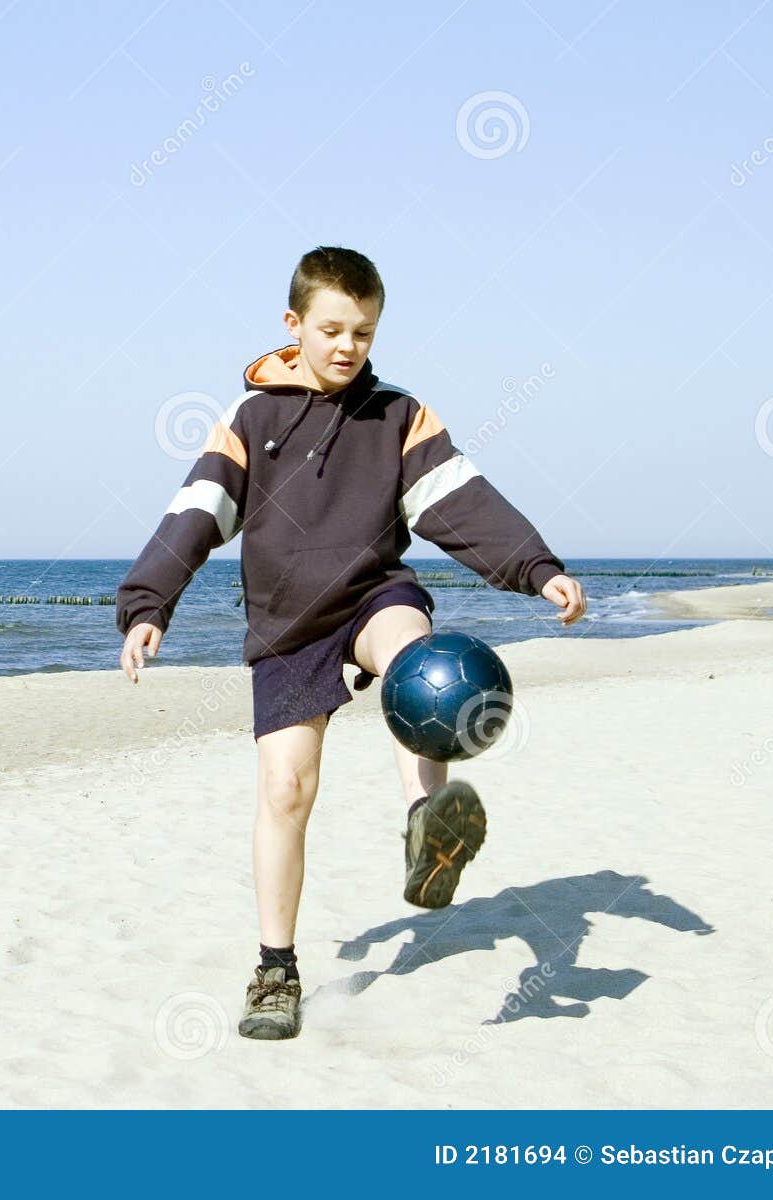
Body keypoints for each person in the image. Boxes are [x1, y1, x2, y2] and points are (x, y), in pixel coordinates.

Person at [114, 247, 586, 1040]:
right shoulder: (250, 419)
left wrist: (537, 569)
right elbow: (196, 513)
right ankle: (275, 969)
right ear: (292, 325)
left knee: (421, 660)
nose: (347, 346)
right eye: (332, 329)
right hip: (288, 622)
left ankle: (426, 819)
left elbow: (462, 501)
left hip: (371, 593)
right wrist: (147, 604)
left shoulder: (397, 416)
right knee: (285, 792)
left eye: (363, 333)